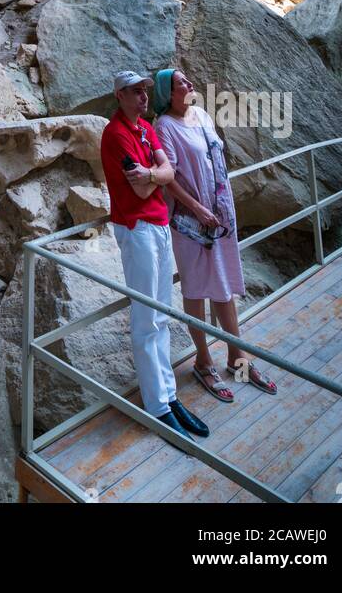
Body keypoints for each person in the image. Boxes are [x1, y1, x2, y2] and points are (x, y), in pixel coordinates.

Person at [153, 68, 277, 402]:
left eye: (188, 80)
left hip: (220, 215)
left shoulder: (202, 115)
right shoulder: (164, 126)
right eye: (181, 83)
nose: (190, 84)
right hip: (192, 222)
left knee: (223, 287)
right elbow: (168, 177)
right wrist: (197, 209)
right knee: (195, 291)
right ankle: (203, 360)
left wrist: (217, 210)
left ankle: (238, 357)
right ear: (168, 92)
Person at [100, 70, 210, 442]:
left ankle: (169, 395)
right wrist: (155, 176)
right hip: (137, 227)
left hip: (159, 225)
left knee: (162, 312)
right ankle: (157, 405)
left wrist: (153, 175)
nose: (143, 96)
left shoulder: (145, 128)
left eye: (145, 90)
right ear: (119, 95)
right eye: (135, 91)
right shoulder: (115, 134)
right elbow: (145, 188)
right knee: (147, 318)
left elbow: (168, 170)